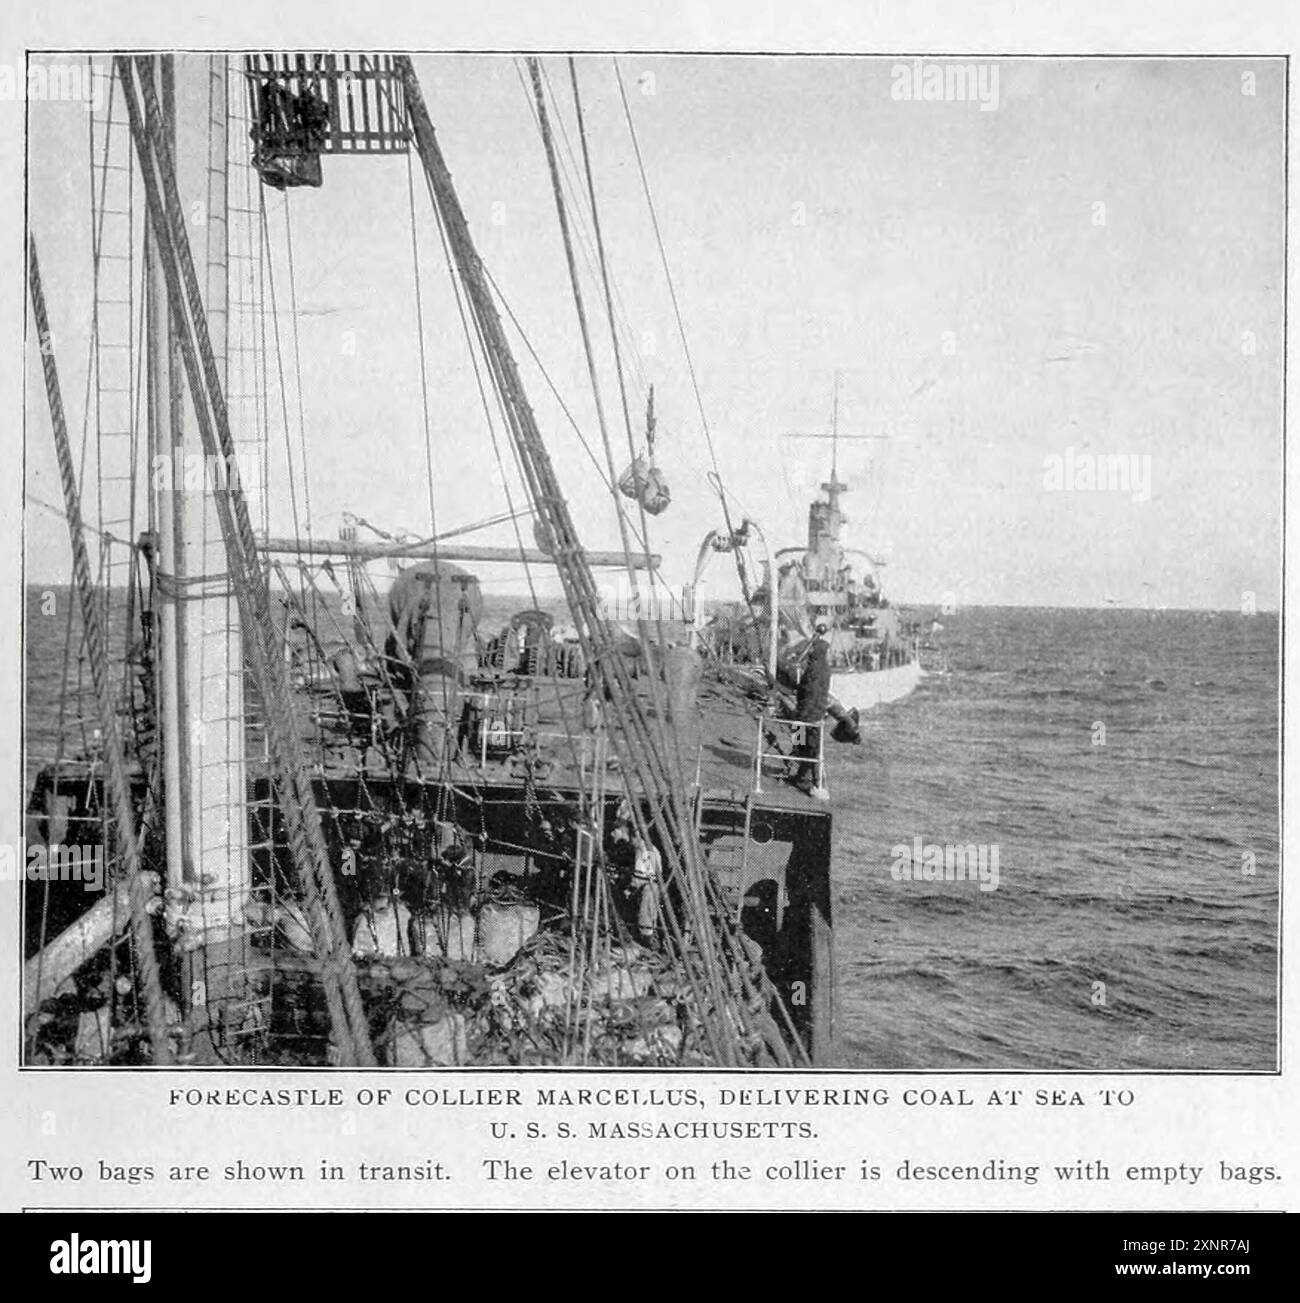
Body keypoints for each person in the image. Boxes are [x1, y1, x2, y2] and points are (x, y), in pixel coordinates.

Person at [793, 619, 832, 792]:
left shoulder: (813, 670)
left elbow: (806, 691)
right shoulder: (826, 670)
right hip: (816, 713)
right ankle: (808, 776)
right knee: (810, 746)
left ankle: (805, 777)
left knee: (803, 744)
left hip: (806, 714)